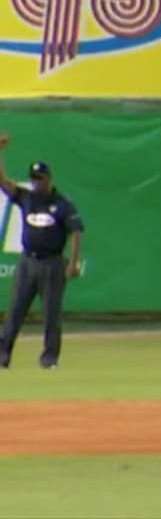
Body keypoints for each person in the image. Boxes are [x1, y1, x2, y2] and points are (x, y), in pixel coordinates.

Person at [0, 133, 84, 370]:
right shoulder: (26, 198)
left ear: (49, 178)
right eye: (34, 178)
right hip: (28, 261)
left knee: (51, 314)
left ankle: (49, 359)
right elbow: (3, 183)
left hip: (52, 263)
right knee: (15, 310)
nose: (37, 182)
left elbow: (76, 231)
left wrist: (73, 262)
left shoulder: (62, 203)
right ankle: (2, 355)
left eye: (40, 178)